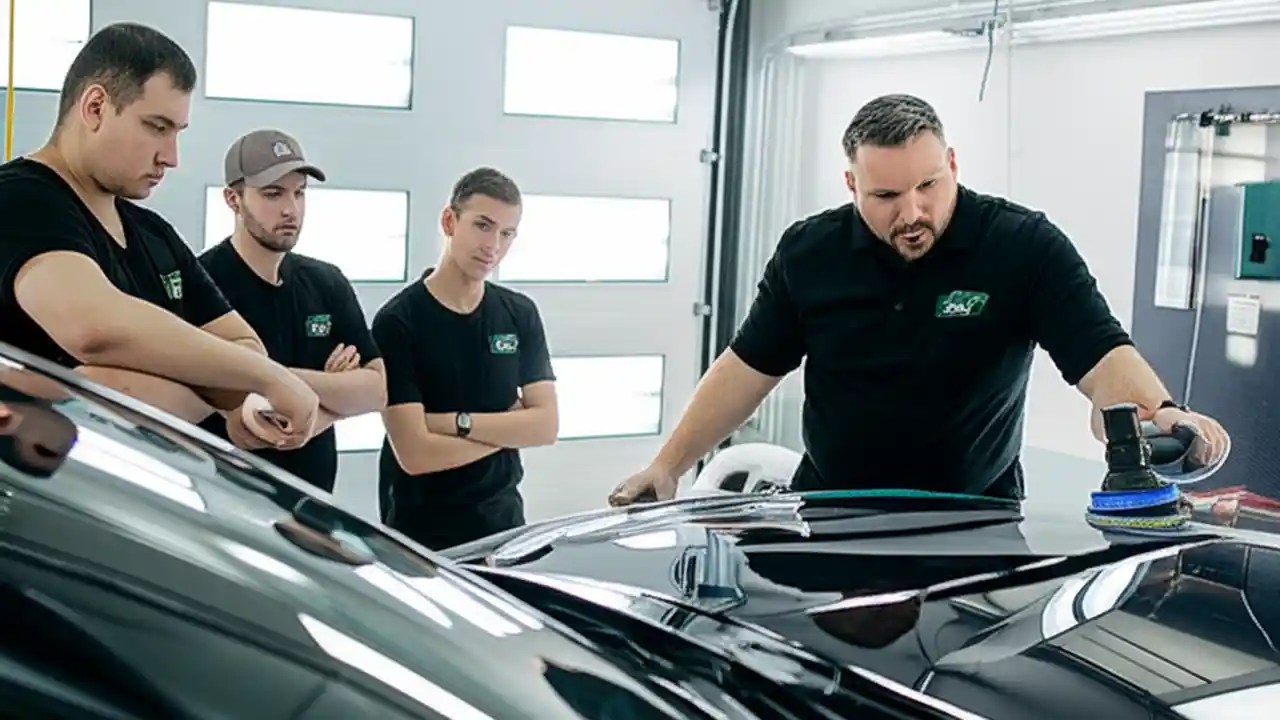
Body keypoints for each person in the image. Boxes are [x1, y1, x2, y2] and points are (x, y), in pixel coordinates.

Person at [609, 93, 1229, 506]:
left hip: (974, 519)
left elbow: (1100, 354)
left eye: (930, 184)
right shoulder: (809, 253)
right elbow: (747, 368)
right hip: (832, 514)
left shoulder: (1022, 246)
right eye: (885, 196)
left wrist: (1161, 411)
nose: (914, 212)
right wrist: (669, 464)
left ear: (953, 162)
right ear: (851, 183)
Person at [0, 22, 318, 446]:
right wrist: (264, 380)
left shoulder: (154, 234)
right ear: (95, 107)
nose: (170, 157)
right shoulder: (19, 198)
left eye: (176, 133)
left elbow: (243, 352)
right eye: (156, 127)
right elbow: (93, 328)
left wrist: (116, 384)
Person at [373, 167, 558, 550]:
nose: (493, 245)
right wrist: (509, 428)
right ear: (449, 221)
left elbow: (546, 427)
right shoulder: (398, 322)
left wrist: (454, 423)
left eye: (506, 234)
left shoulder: (519, 313)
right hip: (421, 534)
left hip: (504, 526)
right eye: (483, 226)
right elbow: (415, 454)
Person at [195, 129, 387, 492]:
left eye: (299, 193)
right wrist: (332, 389)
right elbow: (202, 394)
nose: (290, 209)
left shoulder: (326, 281)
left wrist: (285, 395)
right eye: (272, 193)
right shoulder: (202, 282)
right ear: (233, 199)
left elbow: (376, 390)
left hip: (312, 510)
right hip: (226, 500)